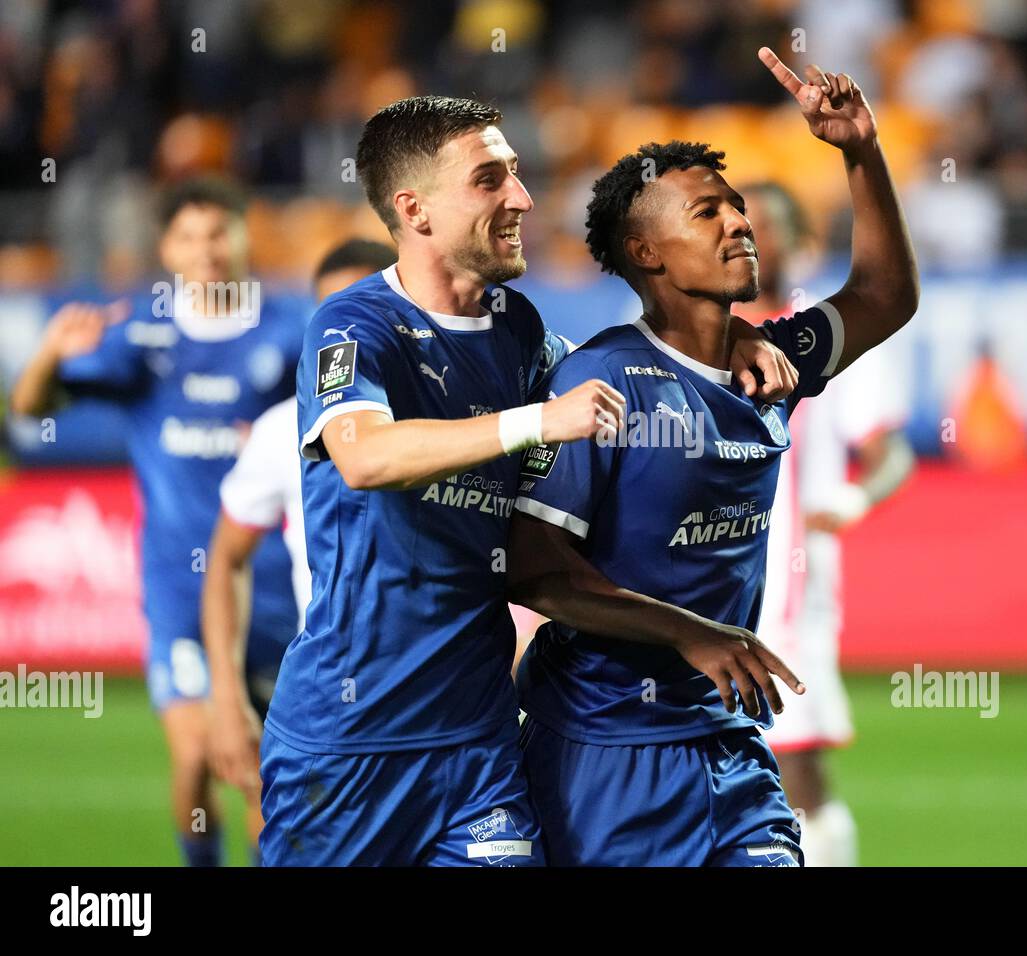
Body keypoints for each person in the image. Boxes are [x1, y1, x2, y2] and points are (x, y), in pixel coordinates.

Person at [258, 94, 796, 866]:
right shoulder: (353, 327)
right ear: (416, 209)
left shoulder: (521, 330)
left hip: (481, 745)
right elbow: (365, 458)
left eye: (515, 173)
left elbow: (620, 368)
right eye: (489, 180)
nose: (522, 197)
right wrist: (535, 423)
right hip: (350, 741)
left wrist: (726, 335)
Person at [504, 48, 919, 866]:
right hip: (608, 748)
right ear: (647, 253)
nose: (738, 222)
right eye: (706, 212)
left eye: (736, 207)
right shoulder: (605, 377)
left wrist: (860, 151)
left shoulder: (770, 364)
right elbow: (534, 569)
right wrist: (688, 632)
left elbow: (882, 297)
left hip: (731, 744)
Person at [8, 178, 304, 866]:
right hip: (179, 591)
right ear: (167, 248)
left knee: (273, 780)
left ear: (241, 236)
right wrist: (53, 350)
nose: (207, 252)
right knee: (201, 750)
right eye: (190, 237)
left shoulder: (289, 333)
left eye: (218, 233)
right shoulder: (141, 337)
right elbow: (29, 409)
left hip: (271, 590)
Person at [734, 183, 916, 867]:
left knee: (795, 767)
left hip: (789, 588)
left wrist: (855, 499)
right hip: (695, 588)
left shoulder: (829, 338)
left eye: (766, 226)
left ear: (801, 243)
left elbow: (891, 453)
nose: (746, 237)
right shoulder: (683, 337)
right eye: (734, 221)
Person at [200, 239, 396, 864]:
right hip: (333, 700)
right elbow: (224, 558)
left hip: (456, 700)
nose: (347, 328)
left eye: (363, 303)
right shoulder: (280, 429)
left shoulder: (464, 415)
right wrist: (227, 701)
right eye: (329, 313)